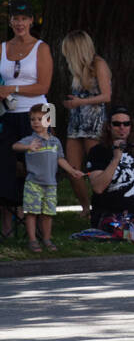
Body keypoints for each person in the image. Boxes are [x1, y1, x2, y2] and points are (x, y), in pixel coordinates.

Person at [0, 0, 52, 241]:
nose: (19, 23)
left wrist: (13, 89)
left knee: (40, 167)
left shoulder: (41, 47)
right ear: (10, 22)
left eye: (24, 19)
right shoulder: (2, 47)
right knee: (5, 165)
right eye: (15, 19)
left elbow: (44, 84)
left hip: (37, 113)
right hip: (8, 115)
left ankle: (42, 227)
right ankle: (8, 221)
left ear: (31, 20)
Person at [13, 104, 83, 252]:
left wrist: (72, 171)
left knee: (48, 213)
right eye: (32, 119)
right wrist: (27, 147)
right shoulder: (30, 140)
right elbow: (15, 146)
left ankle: (46, 239)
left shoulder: (55, 142)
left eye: (39, 119)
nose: (36, 122)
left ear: (49, 121)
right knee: (32, 212)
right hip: (33, 183)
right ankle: (32, 240)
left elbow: (60, 159)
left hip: (50, 184)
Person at [59, 29, 113, 221]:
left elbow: (106, 96)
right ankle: (85, 207)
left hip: (94, 124)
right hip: (76, 123)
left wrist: (80, 102)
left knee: (95, 167)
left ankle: (102, 205)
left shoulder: (98, 64)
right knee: (72, 168)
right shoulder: (76, 69)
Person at [84, 106, 134, 231]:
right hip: (108, 213)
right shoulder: (98, 151)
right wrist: (116, 158)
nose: (122, 127)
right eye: (117, 124)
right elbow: (98, 187)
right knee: (123, 232)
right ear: (108, 126)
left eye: (126, 124)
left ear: (131, 127)